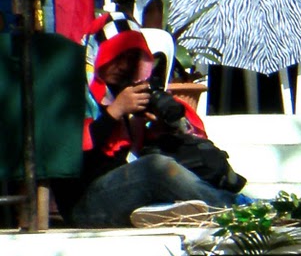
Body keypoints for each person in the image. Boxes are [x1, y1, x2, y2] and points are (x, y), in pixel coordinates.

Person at [60, 24, 246, 229]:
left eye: (132, 58)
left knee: (192, 157)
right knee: (154, 168)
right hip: (83, 206)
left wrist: (155, 124)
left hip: (120, 195)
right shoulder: (75, 94)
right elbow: (75, 157)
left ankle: (228, 201)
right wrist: (116, 111)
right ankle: (234, 208)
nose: (124, 65)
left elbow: (132, 156)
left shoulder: (123, 93)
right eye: (117, 56)